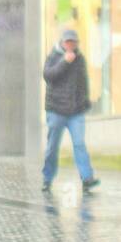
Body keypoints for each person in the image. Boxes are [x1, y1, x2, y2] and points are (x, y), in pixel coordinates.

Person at [42, 27, 99, 195]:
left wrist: (85, 102)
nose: (70, 45)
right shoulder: (54, 56)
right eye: (68, 42)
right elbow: (48, 76)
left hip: (75, 112)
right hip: (56, 111)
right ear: (62, 42)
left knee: (80, 144)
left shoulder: (80, 59)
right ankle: (47, 179)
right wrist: (64, 62)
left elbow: (83, 83)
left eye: (73, 42)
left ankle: (87, 178)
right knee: (52, 147)